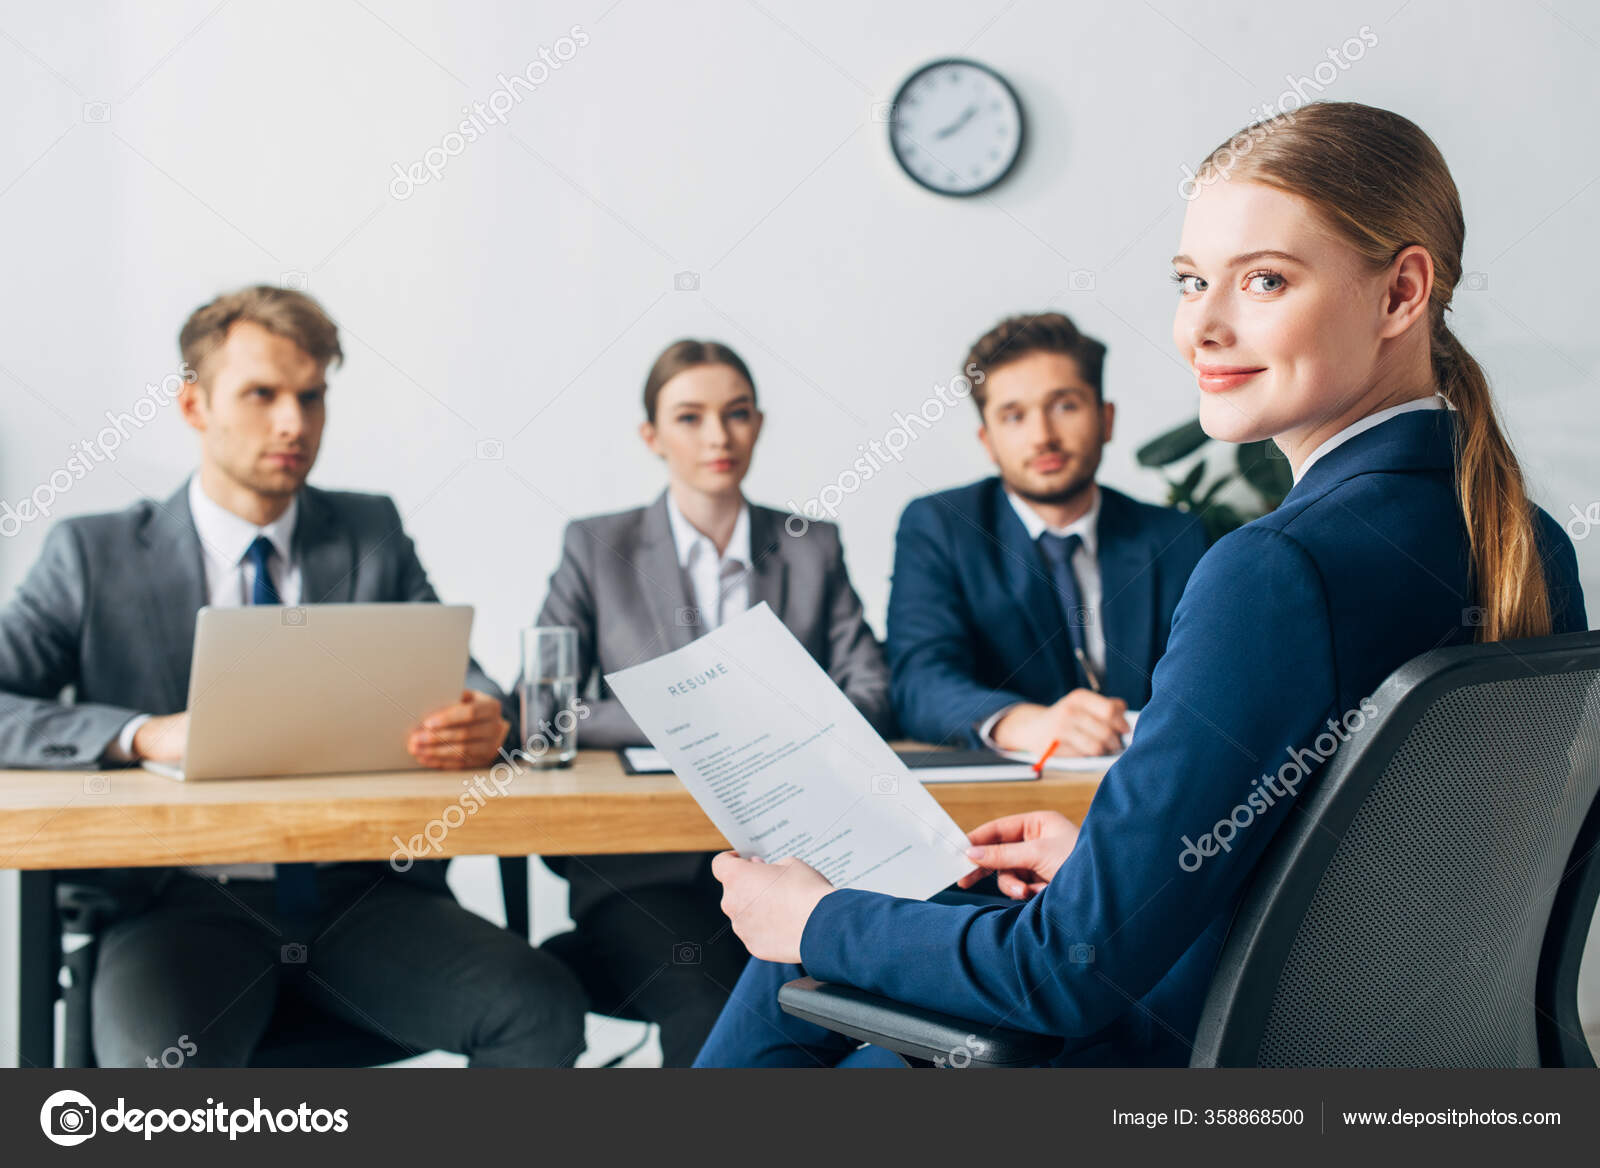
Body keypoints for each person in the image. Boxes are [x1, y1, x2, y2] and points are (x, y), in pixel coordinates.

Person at [693, 102, 1588, 1068]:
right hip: (1388, 1051)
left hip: (1179, 1052)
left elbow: (1062, 974)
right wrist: (1107, 866)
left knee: (788, 968)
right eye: (1191, 281)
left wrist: (817, 920)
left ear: (1402, 293)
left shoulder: (1275, 572)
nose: (1201, 326)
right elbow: (1374, 887)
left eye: (1265, 280)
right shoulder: (1525, 541)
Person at [0, 286, 588, 1067]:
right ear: (193, 406)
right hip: (178, 906)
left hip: (361, 899)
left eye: (312, 397)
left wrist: (485, 712)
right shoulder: (92, 553)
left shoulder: (371, 528)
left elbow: (464, 674)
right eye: (262, 395)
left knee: (539, 1008)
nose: (294, 423)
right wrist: (139, 733)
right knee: (160, 1069)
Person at [525, 338, 892, 1066]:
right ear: (651, 436)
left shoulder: (810, 546)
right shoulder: (598, 546)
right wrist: (696, 725)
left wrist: (771, 726)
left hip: (799, 860)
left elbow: (873, 692)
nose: (718, 436)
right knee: (712, 1013)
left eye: (737, 414)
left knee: (862, 1017)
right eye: (690, 417)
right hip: (643, 869)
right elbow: (543, 712)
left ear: (759, 424)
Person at [888, 312, 1208, 756]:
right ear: (987, 440)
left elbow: (1207, 682)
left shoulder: (1176, 536)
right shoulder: (939, 527)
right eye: (1014, 416)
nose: (1043, 437)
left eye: (1065, 406)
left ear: (1106, 419)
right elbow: (919, 680)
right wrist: (1022, 725)